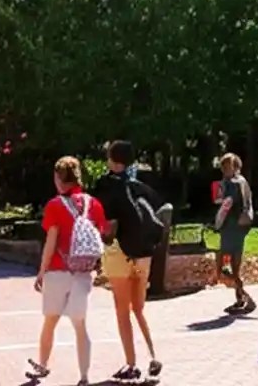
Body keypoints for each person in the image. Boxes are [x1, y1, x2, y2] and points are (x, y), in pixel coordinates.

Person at [27, 156, 106, 386]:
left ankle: (42, 365)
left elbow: (51, 242)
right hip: (83, 272)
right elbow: (99, 235)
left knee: (50, 321)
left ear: (58, 177)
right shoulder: (94, 204)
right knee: (80, 325)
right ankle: (84, 376)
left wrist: (41, 271)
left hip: (58, 270)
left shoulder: (54, 205)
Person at [93, 140, 169, 382]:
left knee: (122, 310)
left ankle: (131, 363)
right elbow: (160, 207)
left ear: (111, 160)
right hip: (144, 253)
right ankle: (153, 355)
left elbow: (103, 221)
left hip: (119, 252)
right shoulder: (139, 185)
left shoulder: (106, 186)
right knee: (138, 309)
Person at [213, 152, 256, 314]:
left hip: (235, 228)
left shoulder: (238, 182)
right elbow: (223, 205)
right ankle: (240, 298)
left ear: (236, 167)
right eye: (223, 167)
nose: (225, 170)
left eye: (227, 166)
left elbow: (243, 205)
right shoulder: (228, 182)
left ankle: (245, 297)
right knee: (231, 267)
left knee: (223, 266)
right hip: (230, 228)